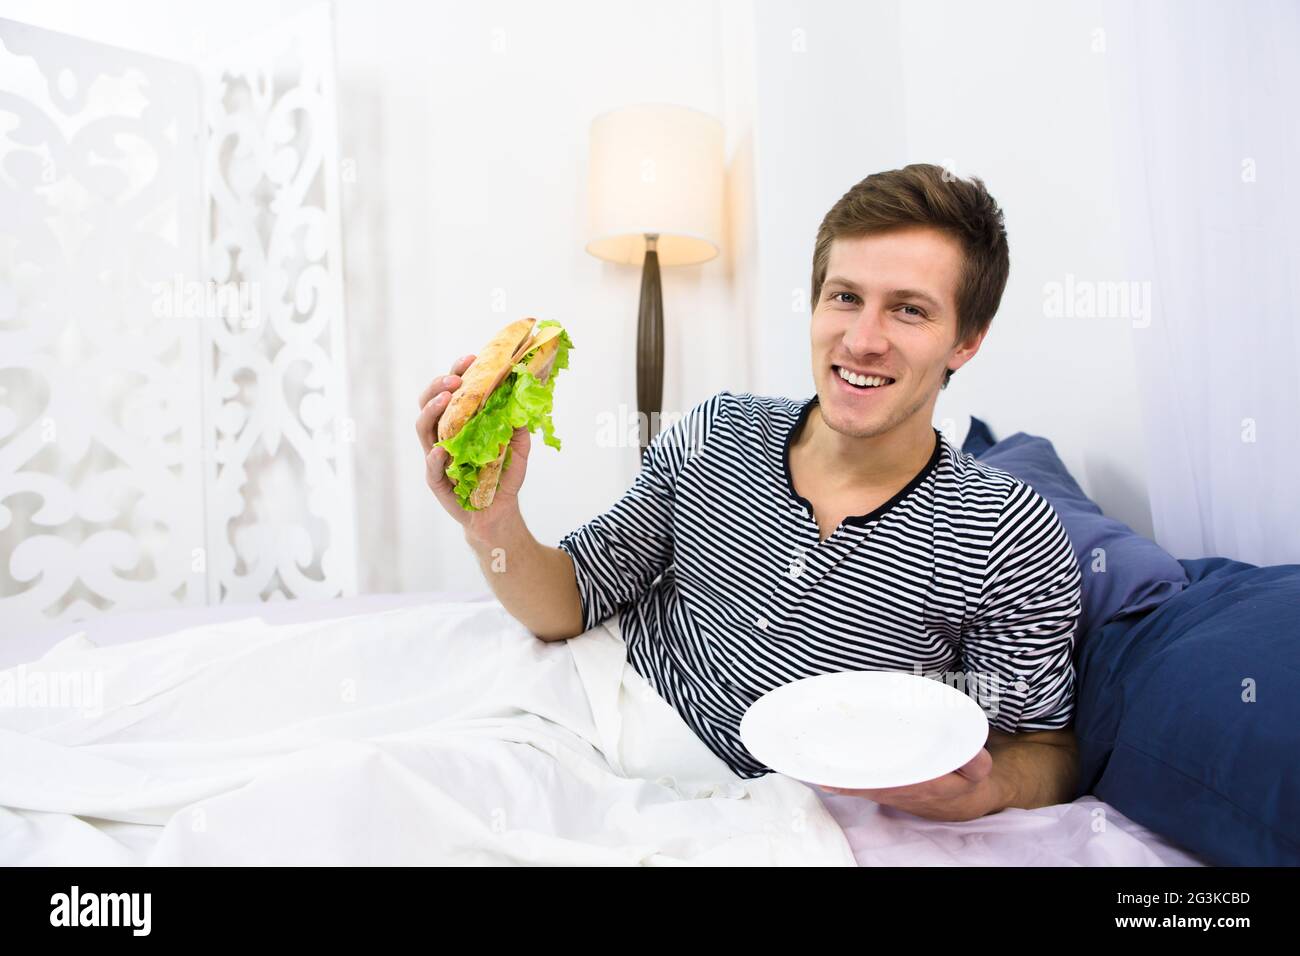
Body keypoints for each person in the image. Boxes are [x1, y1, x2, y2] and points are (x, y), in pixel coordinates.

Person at [415, 163, 1083, 822]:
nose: (861, 340)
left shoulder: (1007, 529)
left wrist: (989, 793)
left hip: (761, 808)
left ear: (966, 341)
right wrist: (492, 524)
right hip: (590, 712)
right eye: (845, 297)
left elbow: (1046, 746)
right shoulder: (718, 431)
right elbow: (568, 604)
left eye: (908, 310)